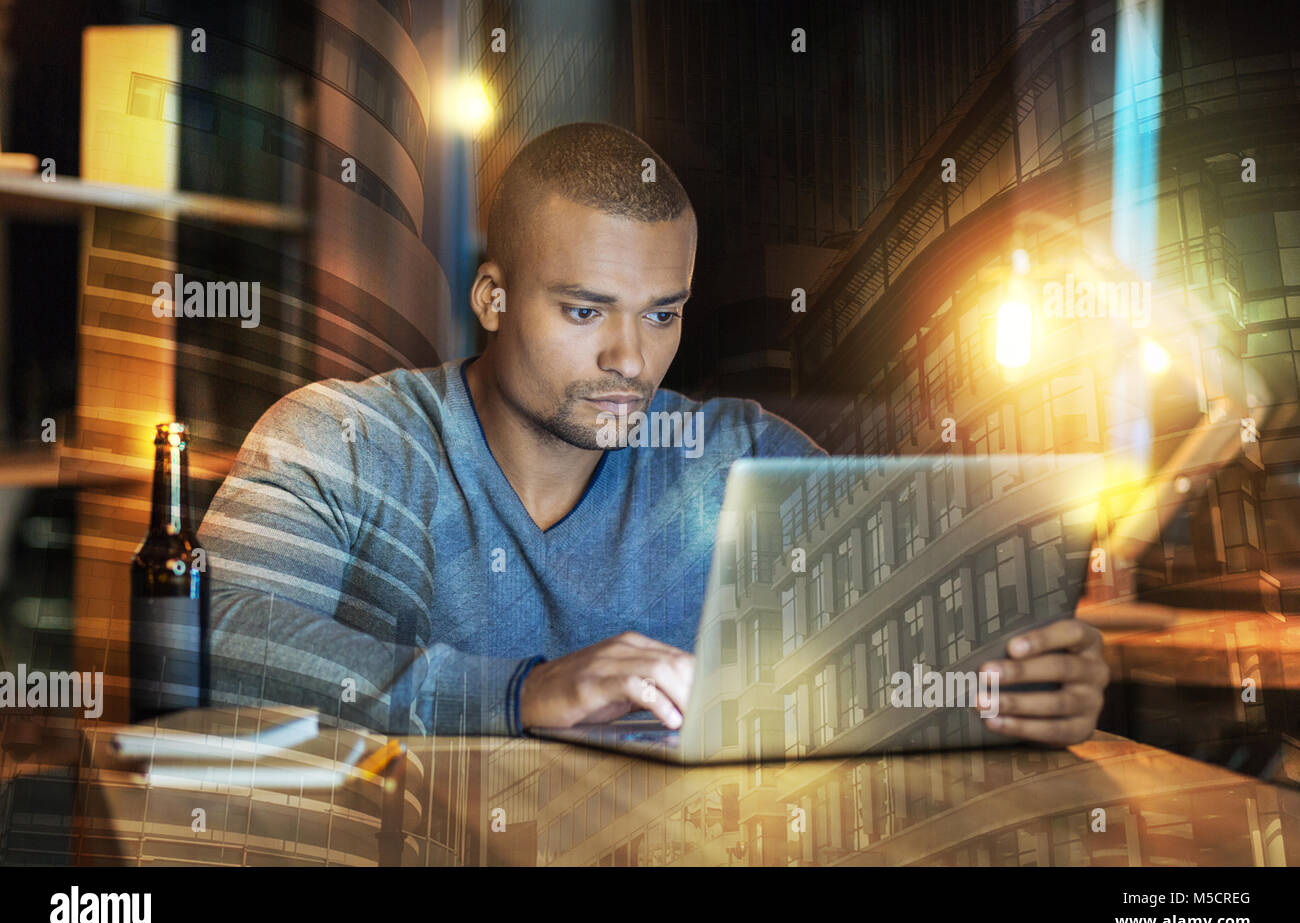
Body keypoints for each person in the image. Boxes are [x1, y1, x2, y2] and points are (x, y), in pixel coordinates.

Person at [199, 122, 1108, 744]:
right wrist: (520, 695)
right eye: (587, 309)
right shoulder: (344, 442)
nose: (632, 359)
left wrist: (1018, 684)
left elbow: (928, 630)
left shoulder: (743, 460)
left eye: (663, 313)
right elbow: (205, 645)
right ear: (493, 297)